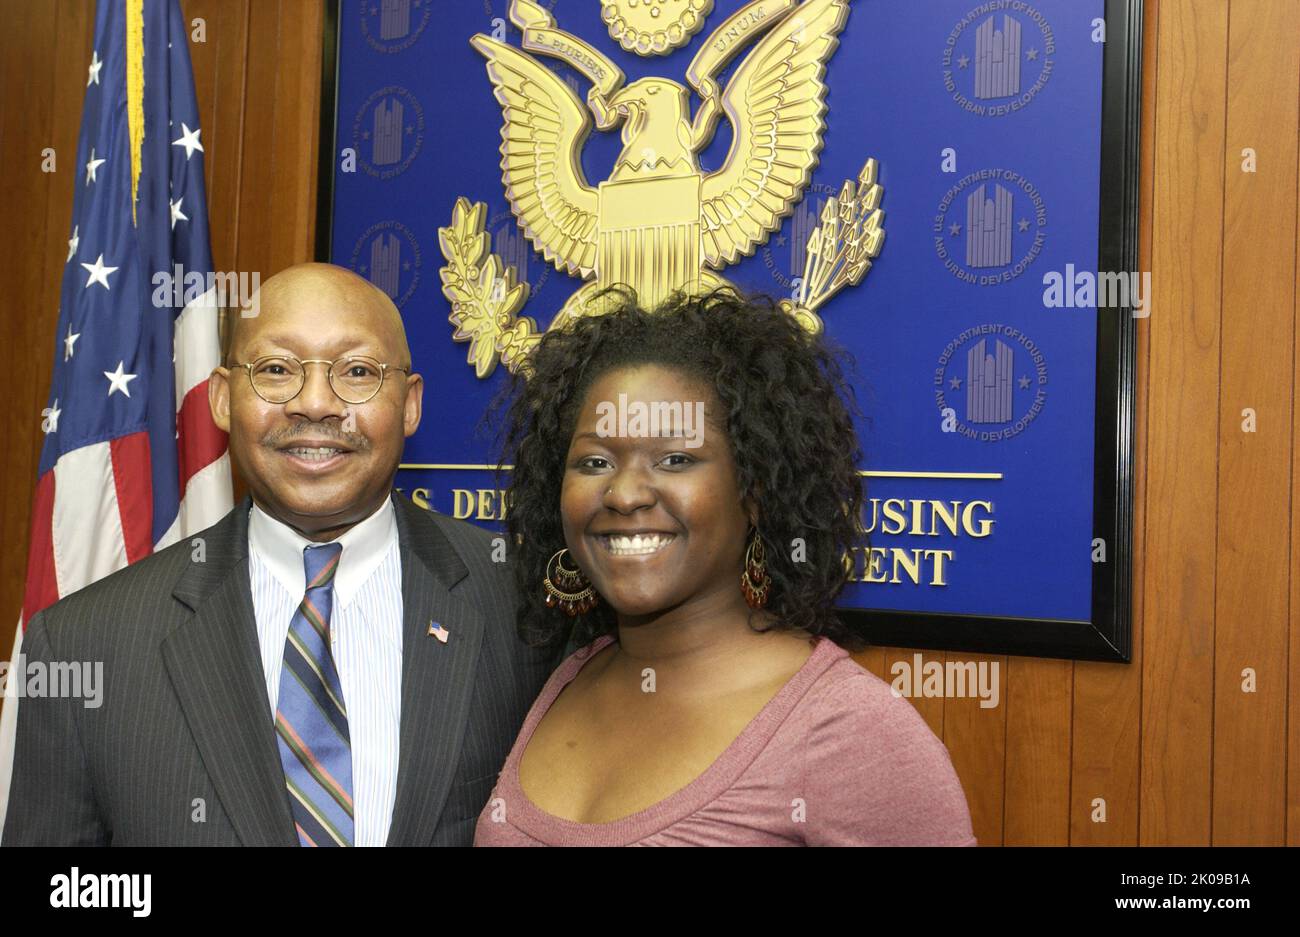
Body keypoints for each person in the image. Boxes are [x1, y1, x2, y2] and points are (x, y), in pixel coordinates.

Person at [3, 262, 557, 846]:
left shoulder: (525, 607)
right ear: (220, 398)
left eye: (358, 371)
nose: (315, 404)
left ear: (410, 403)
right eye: (275, 369)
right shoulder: (83, 644)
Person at [475, 287, 977, 846]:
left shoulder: (848, 731)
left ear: (754, 488)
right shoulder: (564, 678)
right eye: (595, 461)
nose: (624, 494)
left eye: (676, 459)